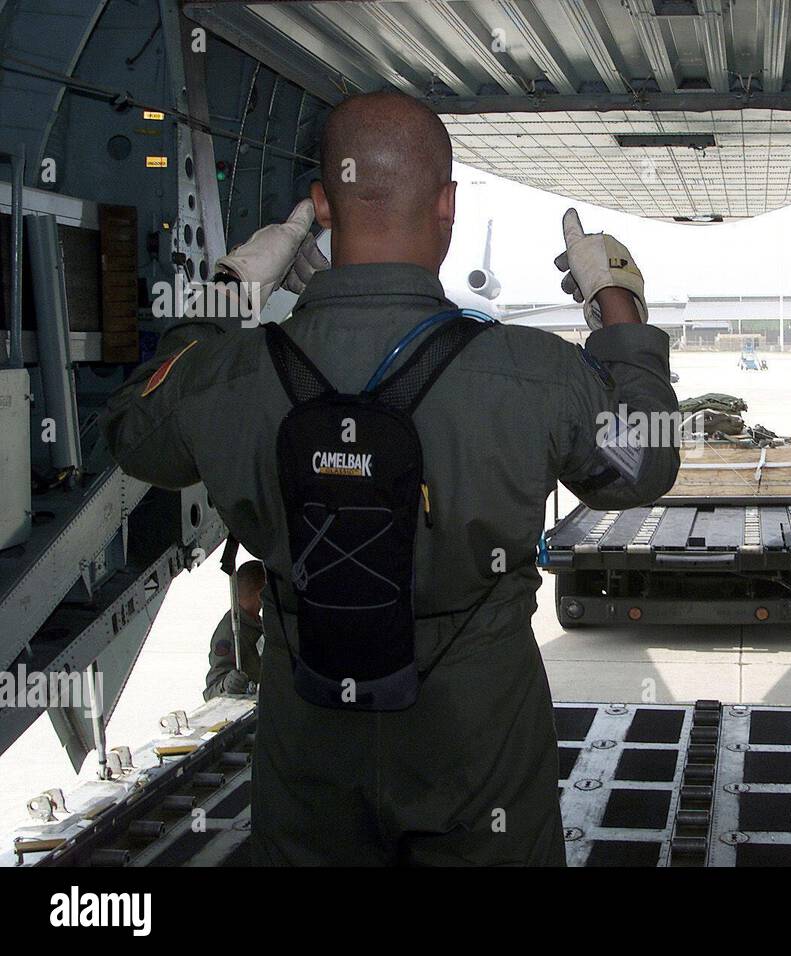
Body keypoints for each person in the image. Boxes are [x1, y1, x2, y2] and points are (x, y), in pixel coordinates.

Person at [103, 91, 679, 865]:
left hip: (309, 738)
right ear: (447, 205)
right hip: (478, 748)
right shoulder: (536, 373)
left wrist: (226, 292)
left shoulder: (229, 374)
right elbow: (645, 466)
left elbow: (133, 435)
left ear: (320, 206)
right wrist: (617, 303)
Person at [203, 560, 266, 700]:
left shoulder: (259, 624)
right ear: (260, 594)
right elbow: (211, 692)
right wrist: (226, 685)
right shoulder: (230, 632)